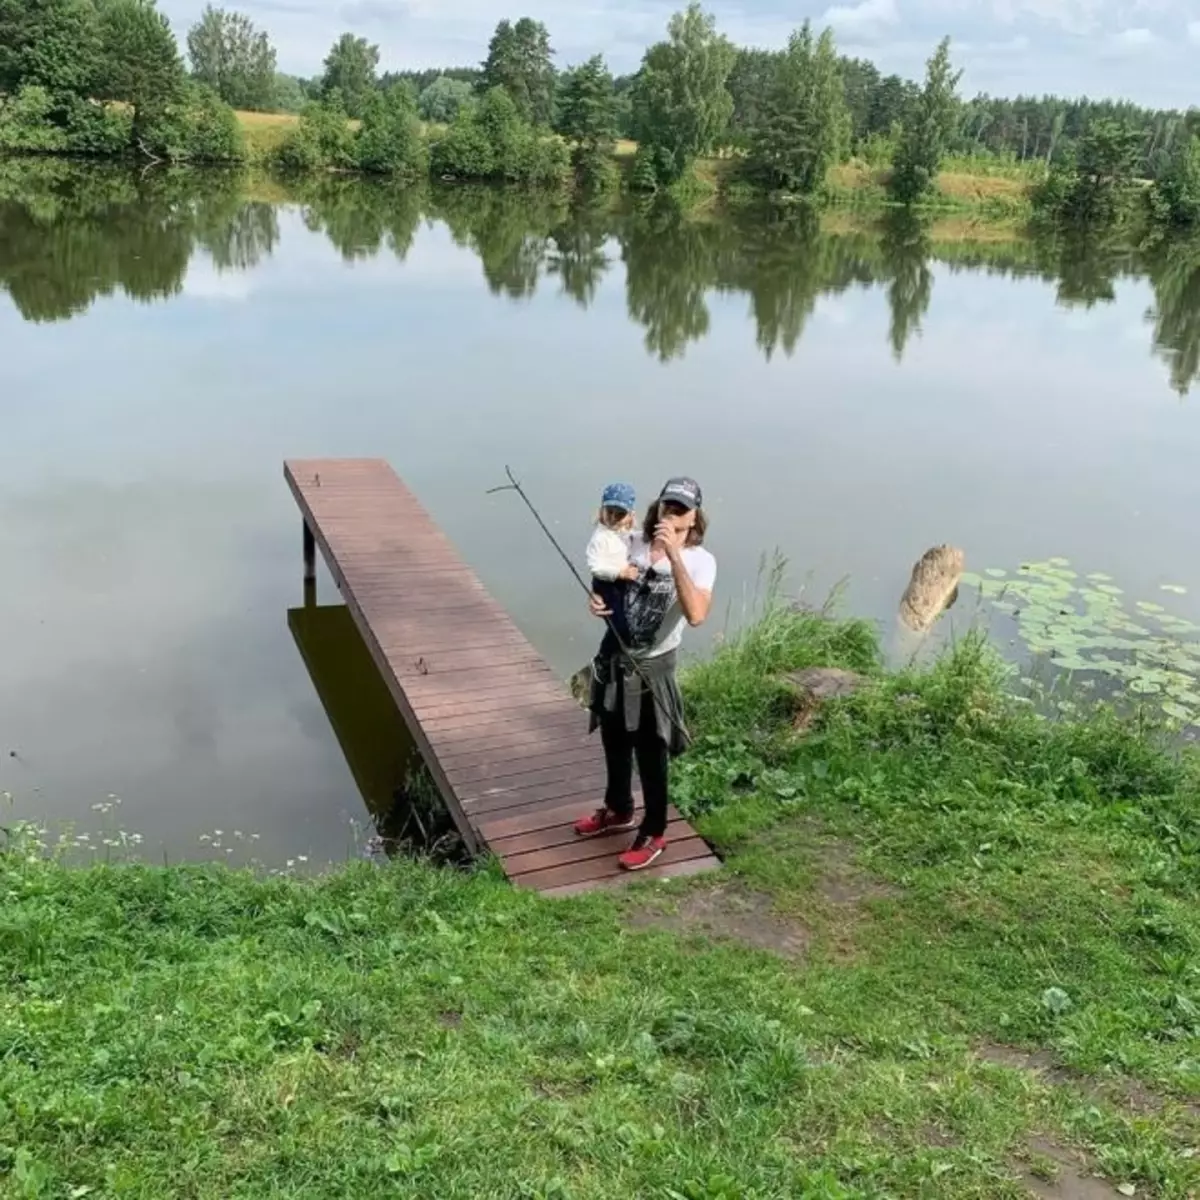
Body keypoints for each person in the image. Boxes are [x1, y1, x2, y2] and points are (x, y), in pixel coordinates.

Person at [573, 477, 716, 871]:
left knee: (651, 750)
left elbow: (698, 615)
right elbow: (602, 570)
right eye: (668, 505)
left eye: (681, 509)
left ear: (694, 516)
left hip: (654, 667)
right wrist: (595, 598)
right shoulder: (630, 540)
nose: (672, 513)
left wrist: (674, 553)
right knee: (613, 738)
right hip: (614, 657)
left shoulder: (702, 561)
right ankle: (619, 808)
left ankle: (654, 831)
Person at [585, 482, 640, 645]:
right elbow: (596, 568)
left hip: (623, 584)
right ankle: (613, 651)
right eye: (610, 512)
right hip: (607, 585)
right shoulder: (600, 538)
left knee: (630, 618)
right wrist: (620, 573)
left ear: (630, 516)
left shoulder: (627, 533)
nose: (614, 518)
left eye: (620, 514)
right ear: (601, 511)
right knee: (620, 624)